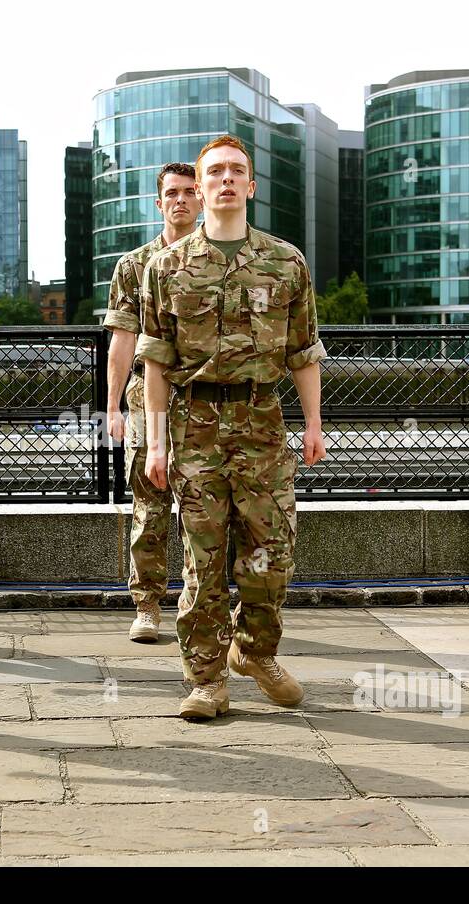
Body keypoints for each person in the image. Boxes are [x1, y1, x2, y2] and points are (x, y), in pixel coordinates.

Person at [137, 135, 328, 720]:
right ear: (200, 187)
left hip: (262, 423)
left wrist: (314, 424)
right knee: (203, 560)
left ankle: (256, 651)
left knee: (272, 554)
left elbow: (303, 350)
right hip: (195, 426)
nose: (225, 179)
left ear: (251, 185)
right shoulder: (166, 267)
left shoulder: (286, 261)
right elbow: (156, 361)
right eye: (214, 171)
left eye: (235, 171)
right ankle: (206, 678)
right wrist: (155, 443)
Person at [104, 163, 201, 643]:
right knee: (149, 504)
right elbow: (122, 339)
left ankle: (197, 603)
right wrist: (112, 406)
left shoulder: (217, 261)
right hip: (146, 397)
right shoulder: (134, 264)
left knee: (203, 506)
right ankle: (147, 604)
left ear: (200, 199)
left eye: (188, 192)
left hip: (202, 397)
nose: (180, 200)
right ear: (158, 203)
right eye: (172, 193)